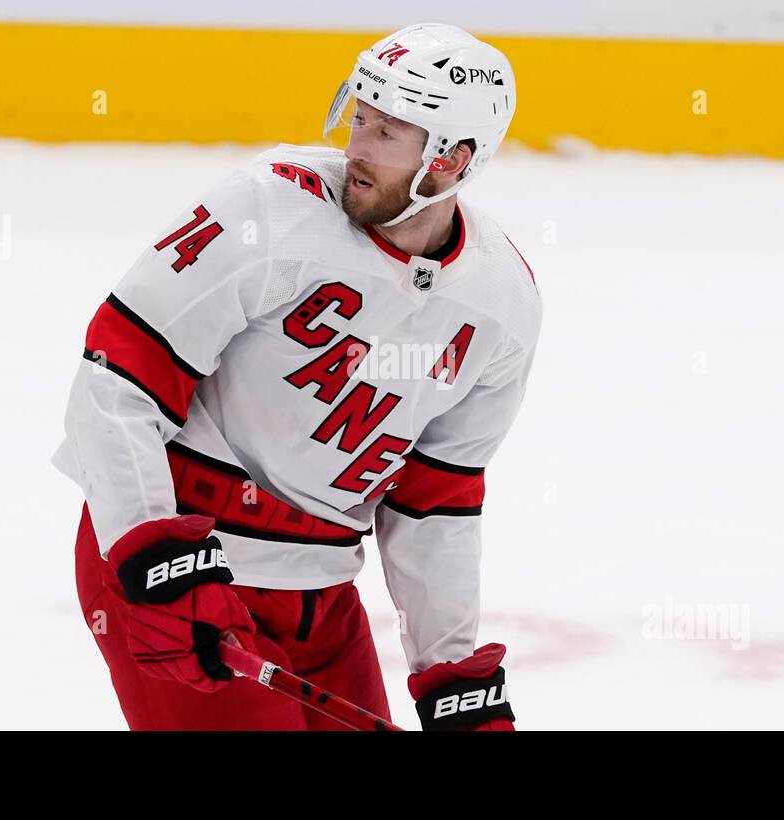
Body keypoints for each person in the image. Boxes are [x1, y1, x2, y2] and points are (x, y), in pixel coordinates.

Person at [54, 22, 541, 730]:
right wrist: (153, 554)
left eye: (387, 134)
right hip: (183, 557)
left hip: (321, 595)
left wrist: (449, 671)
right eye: (361, 119)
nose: (357, 147)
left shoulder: (501, 302)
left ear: (452, 159)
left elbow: (435, 502)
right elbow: (117, 374)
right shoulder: (270, 211)